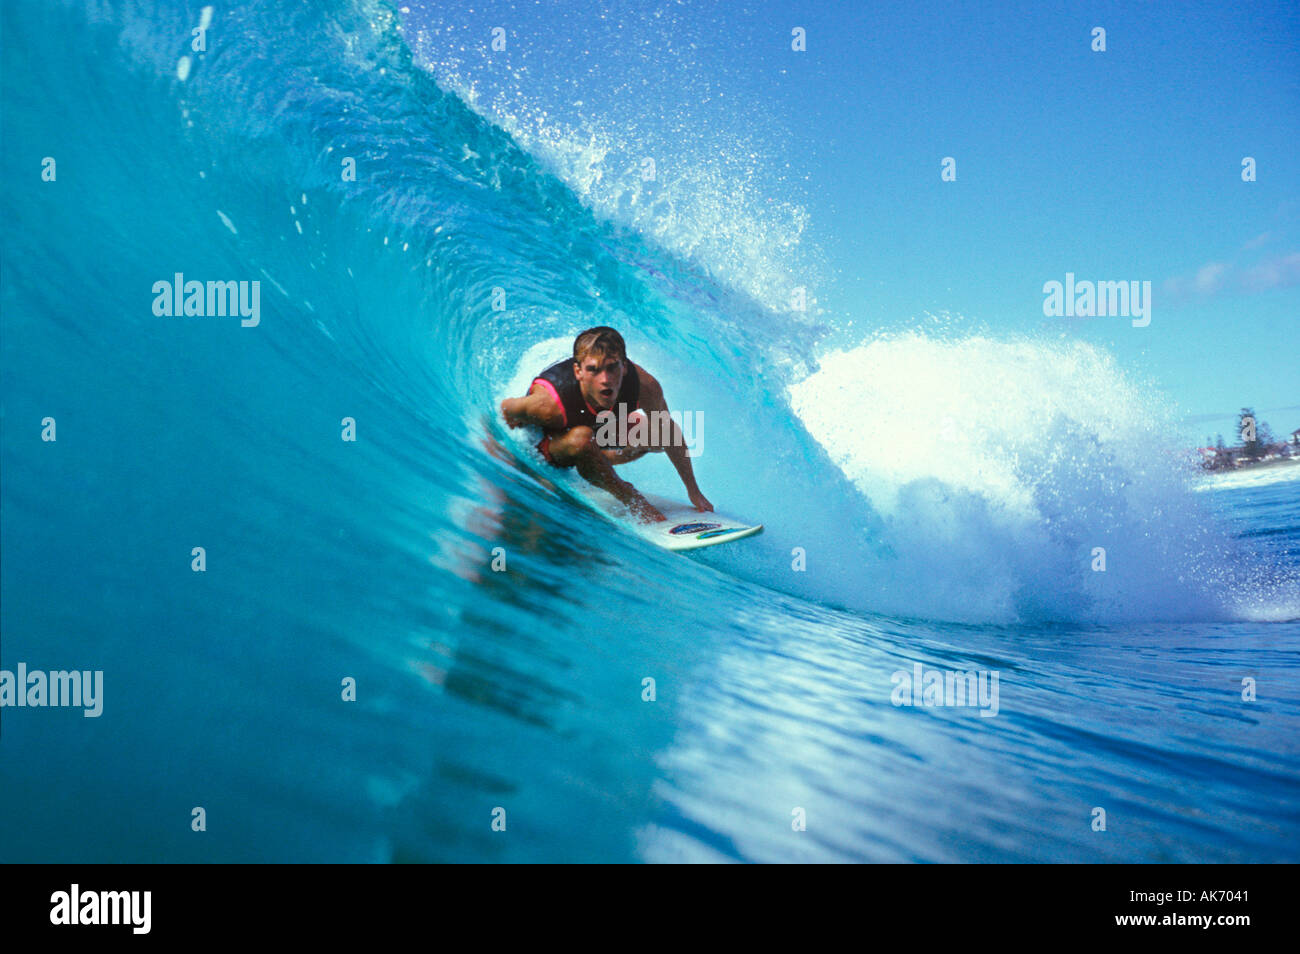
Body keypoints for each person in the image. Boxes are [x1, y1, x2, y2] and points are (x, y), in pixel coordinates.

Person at [500, 327, 712, 524]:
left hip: (594, 428)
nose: (605, 379)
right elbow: (506, 411)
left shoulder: (645, 387)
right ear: (578, 371)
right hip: (550, 441)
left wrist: (693, 490)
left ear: (624, 366)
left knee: (656, 434)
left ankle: (599, 462)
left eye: (612, 368)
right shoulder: (547, 406)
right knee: (582, 439)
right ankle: (627, 494)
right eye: (594, 370)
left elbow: (669, 432)